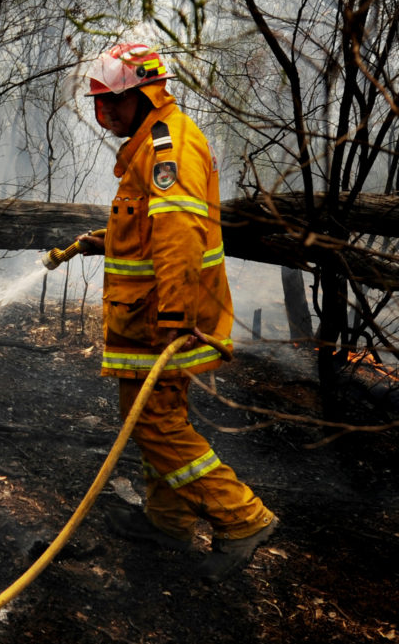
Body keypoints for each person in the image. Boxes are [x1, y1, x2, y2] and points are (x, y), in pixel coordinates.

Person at [74, 42, 277, 583]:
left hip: (159, 320)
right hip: (148, 315)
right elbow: (154, 229)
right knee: (158, 418)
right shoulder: (151, 143)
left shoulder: (169, 147)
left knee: (154, 423)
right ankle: (168, 521)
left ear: (147, 93)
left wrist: (174, 321)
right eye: (100, 104)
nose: (106, 113)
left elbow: (181, 237)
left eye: (114, 101)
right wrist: (109, 242)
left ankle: (243, 518)